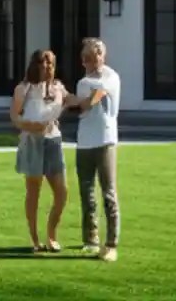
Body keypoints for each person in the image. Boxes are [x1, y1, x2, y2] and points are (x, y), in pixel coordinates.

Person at [9, 49, 68, 253]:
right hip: (32, 141)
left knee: (61, 192)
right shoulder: (24, 88)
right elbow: (15, 117)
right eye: (41, 64)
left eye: (50, 64)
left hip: (53, 141)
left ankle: (52, 235)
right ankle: (35, 239)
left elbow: (74, 100)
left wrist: (93, 96)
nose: (46, 67)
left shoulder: (58, 87)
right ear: (34, 66)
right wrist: (32, 126)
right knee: (34, 191)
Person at [70, 37, 121, 262]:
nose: (96, 59)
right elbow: (82, 107)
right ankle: (90, 239)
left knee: (108, 192)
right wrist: (77, 102)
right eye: (90, 57)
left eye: (99, 54)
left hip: (105, 140)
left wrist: (77, 101)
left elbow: (93, 99)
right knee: (86, 191)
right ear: (84, 61)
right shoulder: (82, 83)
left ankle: (111, 244)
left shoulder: (111, 77)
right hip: (84, 142)